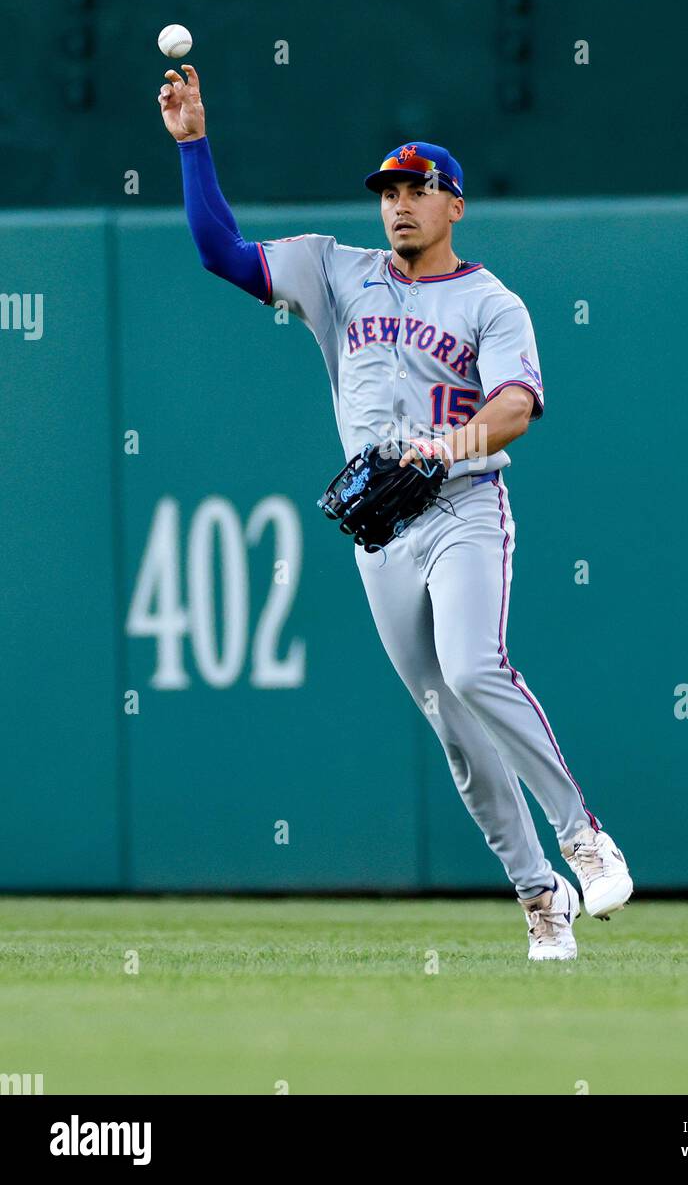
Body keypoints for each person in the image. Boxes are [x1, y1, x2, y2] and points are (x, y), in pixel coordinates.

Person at [158, 63, 633, 961]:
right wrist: (191, 145)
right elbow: (220, 252)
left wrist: (442, 446)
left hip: (462, 509)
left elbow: (516, 408)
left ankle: (585, 837)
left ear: (456, 205)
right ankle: (541, 897)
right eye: (388, 190)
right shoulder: (338, 273)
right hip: (383, 535)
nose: (399, 203)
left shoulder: (492, 302)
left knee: (472, 665)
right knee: (454, 733)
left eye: (418, 188)